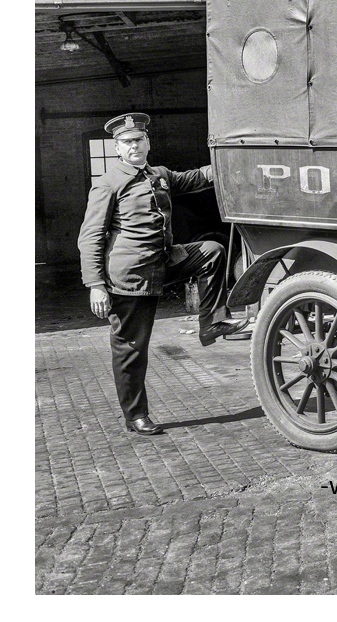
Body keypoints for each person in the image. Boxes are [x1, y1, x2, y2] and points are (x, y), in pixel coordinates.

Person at [78, 112, 246, 436]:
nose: (134, 147)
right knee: (131, 349)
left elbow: (196, 178)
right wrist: (96, 285)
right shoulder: (108, 183)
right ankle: (135, 416)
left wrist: (230, 162)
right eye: (126, 142)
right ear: (117, 148)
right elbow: (90, 237)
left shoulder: (159, 174)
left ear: (148, 142)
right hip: (131, 277)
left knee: (212, 251)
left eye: (138, 140)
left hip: (163, 263)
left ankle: (211, 323)